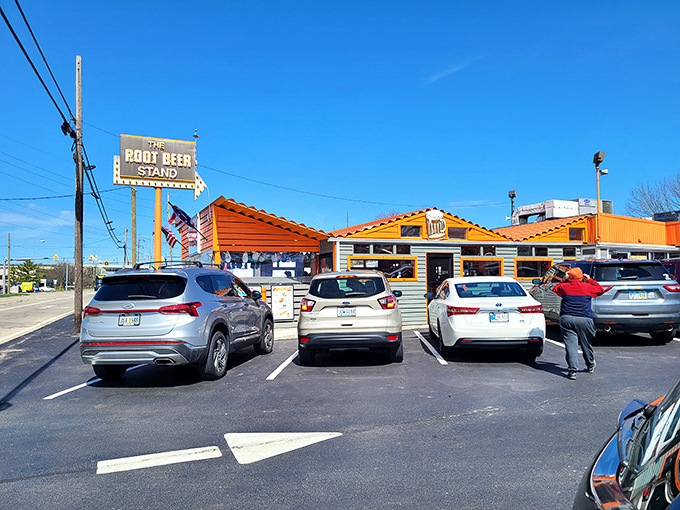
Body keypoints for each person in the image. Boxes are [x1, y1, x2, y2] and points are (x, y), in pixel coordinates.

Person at [552, 267, 605, 380]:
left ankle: (572, 371)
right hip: (584, 318)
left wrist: (564, 279)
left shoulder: (564, 287)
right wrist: (590, 279)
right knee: (586, 342)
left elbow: (555, 289)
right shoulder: (587, 287)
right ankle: (590, 364)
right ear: (581, 276)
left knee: (571, 344)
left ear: (569, 276)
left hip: (567, 318)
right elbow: (600, 290)